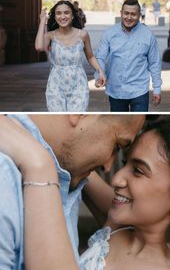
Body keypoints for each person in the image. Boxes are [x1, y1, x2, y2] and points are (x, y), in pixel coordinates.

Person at [0, 115, 170, 270]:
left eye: (139, 171)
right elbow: (80, 163)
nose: (116, 177)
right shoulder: (121, 225)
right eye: (124, 159)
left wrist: (37, 162)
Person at [0, 113, 145, 270]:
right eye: (117, 146)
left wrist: (40, 163)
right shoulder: (5, 176)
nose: (108, 167)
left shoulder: (66, 170)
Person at [35, 0, 105, 111]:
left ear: (72, 16)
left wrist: (100, 71)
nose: (62, 16)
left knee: (77, 118)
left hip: (78, 85)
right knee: (58, 120)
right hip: (55, 86)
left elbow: (90, 56)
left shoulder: (82, 35)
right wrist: (42, 21)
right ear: (55, 16)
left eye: (66, 13)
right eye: (58, 13)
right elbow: (39, 47)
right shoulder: (50, 36)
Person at [95, 0, 162, 112]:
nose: (129, 17)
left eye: (133, 14)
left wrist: (157, 89)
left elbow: (154, 63)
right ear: (121, 13)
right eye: (126, 13)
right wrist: (99, 75)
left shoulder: (148, 35)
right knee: (118, 125)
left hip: (139, 90)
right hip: (116, 90)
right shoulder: (109, 33)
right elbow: (100, 57)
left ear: (140, 15)